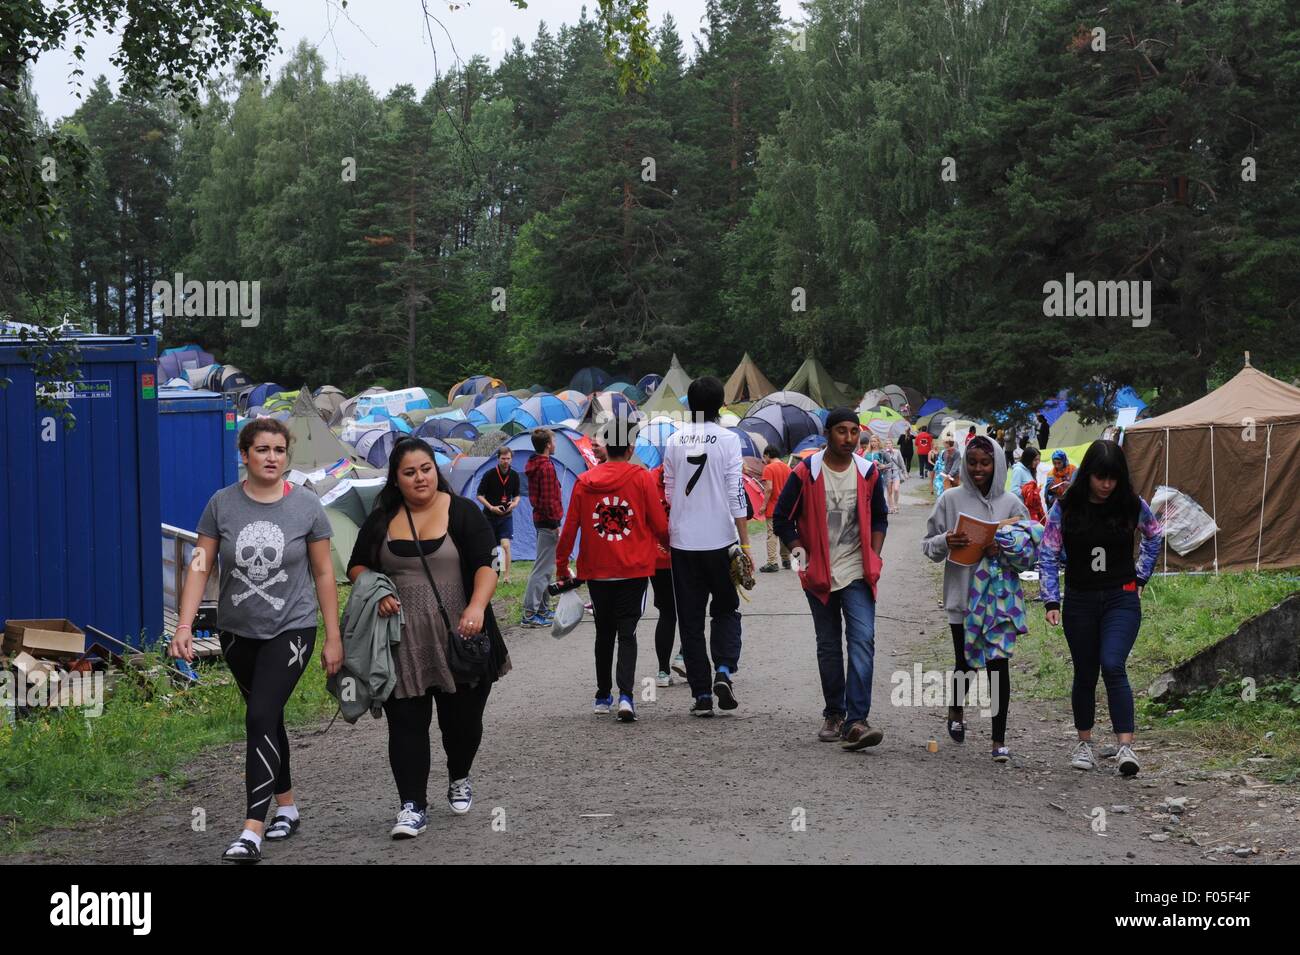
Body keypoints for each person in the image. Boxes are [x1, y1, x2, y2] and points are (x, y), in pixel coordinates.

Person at [172, 419, 341, 864]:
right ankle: (287, 804)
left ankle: (252, 829)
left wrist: (332, 637)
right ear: (244, 455)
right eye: (262, 449)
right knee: (265, 717)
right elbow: (200, 566)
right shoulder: (221, 505)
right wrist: (185, 625)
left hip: (292, 628)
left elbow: (324, 574)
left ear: (288, 456)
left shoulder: (306, 506)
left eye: (280, 450)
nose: (272, 457)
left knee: (260, 715)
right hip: (235, 631)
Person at [348, 436, 509, 838]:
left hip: (462, 637)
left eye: (425, 469)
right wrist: (379, 590)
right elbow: (357, 566)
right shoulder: (383, 517)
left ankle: (459, 774)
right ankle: (411, 806)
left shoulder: (464, 512)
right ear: (396, 479)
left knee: (463, 725)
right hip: (403, 642)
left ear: (436, 470)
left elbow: (488, 564)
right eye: (409, 472)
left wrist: (475, 607)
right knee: (405, 725)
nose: (420, 478)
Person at [1039, 440, 1162, 777]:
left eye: (1113, 478)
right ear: (1088, 475)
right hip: (1079, 599)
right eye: (1100, 477)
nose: (1107, 485)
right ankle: (1084, 743)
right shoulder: (1065, 506)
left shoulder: (1131, 504)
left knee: (1113, 664)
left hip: (1121, 597)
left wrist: (1140, 578)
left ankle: (1126, 747)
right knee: (1085, 670)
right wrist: (1051, 598)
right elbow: (1048, 553)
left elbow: (1154, 536)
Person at [774, 408, 889, 749]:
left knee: (863, 641)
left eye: (854, 431)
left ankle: (857, 721)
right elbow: (782, 518)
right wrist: (801, 557)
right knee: (828, 645)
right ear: (828, 433)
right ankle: (834, 713)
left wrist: (875, 555)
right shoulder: (805, 472)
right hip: (818, 573)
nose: (849, 438)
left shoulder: (868, 472)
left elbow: (880, 518)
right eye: (842, 431)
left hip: (857, 570)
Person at [921, 435, 1028, 761]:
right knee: (965, 662)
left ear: (997, 463)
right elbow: (927, 547)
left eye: (985, 462)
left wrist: (1005, 547)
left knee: (999, 666)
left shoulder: (1012, 502)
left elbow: (1029, 552)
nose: (978, 469)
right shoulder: (951, 500)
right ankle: (956, 710)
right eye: (972, 462)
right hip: (962, 597)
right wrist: (946, 540)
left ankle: (998, 740)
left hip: (998, 600)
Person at [556, 415, 668, 721]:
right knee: (627, 633)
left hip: (597, 570)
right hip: (633, 569)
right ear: (630, 448)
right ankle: (626, 697)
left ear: (605, 447)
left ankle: (602, 695)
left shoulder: (584, 481)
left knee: (603, 633)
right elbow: (659, 525)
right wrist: (674, 548)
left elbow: (570, 528)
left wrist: (562, 565)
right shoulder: (643, 478)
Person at [662, 376, 752, 717]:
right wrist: (745, 543)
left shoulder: (673, 440)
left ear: (690, 403)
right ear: (720, 404)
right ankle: (725, 670)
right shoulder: (729, 440)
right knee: (726, 609)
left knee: (690, 619)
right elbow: (736, 494)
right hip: (721, 540)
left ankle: (701, 695)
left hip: (683, 543)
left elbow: (669, 492)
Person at [521, 428, 564, 627]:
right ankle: (530, 614)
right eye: (553, 441)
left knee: (546, 568)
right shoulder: (546, 467)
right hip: (548, 522)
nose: (555, 444)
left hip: (542, 520)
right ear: (547, 444)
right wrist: (555, 523)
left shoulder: (535, 464)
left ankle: (543, 609)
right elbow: (548, 500)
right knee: (541, 569)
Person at [647, 464, 681, 686]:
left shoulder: (648, 478)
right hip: (684, 554)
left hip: (656, 558)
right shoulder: (687, 475)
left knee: (667, 613)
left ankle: (662, 672)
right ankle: (684, 657)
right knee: (690, 609)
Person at [475, 445, 520, 583]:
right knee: (492, 547)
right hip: (489, 516)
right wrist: (491, 507)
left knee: (505, 545)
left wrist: (515, 503)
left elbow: (517, 495)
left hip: (506, 516)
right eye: (503, 458)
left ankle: (507, 577)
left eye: (508, 458)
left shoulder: (514, 475)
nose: (506, 461)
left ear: (511, 459)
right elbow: (479, 495)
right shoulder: (489, 474)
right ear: (498, 459)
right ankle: (495, 574)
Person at [759, 445, 793, 572]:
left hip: (773, 507)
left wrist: (763, 505)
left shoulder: (768, 468)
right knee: (784, 533)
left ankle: (772, 562)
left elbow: (769, 488)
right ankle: (786, 559)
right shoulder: (787, 468)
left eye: (764, 456)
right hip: (786, 507)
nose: (764, 459)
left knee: (772, 534)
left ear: (768, 455)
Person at [1016, 446, 1046, 523]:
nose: (1038, 462)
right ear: (1028, 459)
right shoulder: (1018, 470)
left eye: (1039, 459)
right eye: (1035, 460)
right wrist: (1029, 493)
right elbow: (1014, 490)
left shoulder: (1030, 469)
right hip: (1025, 510)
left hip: (1033, 509)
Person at [885, 439, 905, 513]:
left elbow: (901, 462)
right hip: (888, 473)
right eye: (887, 443)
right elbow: (882, 462)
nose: (888, 445)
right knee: (889, 492)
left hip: (896, 473)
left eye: (889, 443)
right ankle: (891, 507)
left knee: (896, 489)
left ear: (892, 444)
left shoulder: (897, 452)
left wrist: (905, 472)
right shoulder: (884, 453)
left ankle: (896, 505)